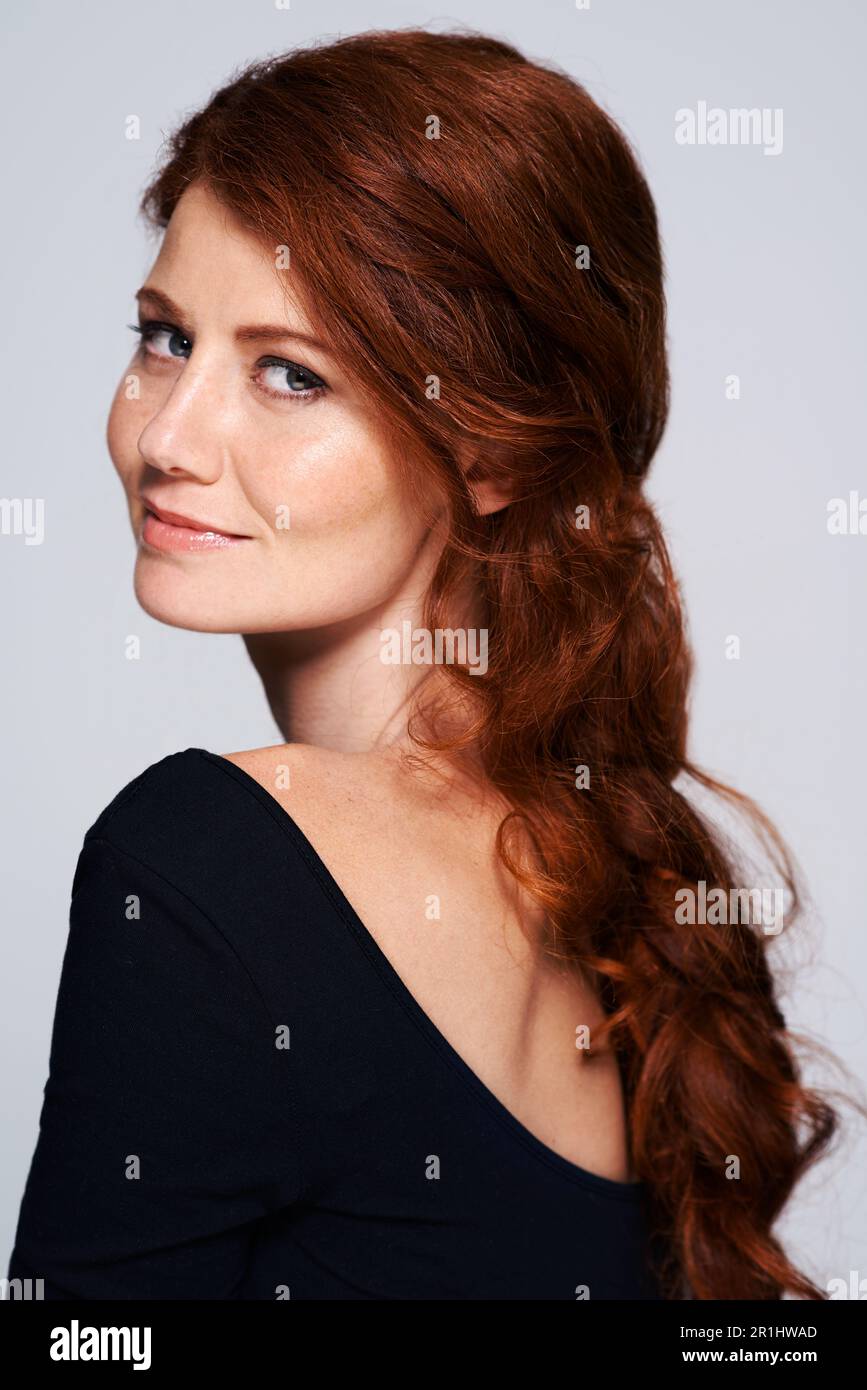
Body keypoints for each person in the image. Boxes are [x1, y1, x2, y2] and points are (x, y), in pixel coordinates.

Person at [8, 28, 837, 1300]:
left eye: (290, 374)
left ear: (494, 456)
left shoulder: (201, 862)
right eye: (165, 336)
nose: (170, 435)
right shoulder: (609, 872)